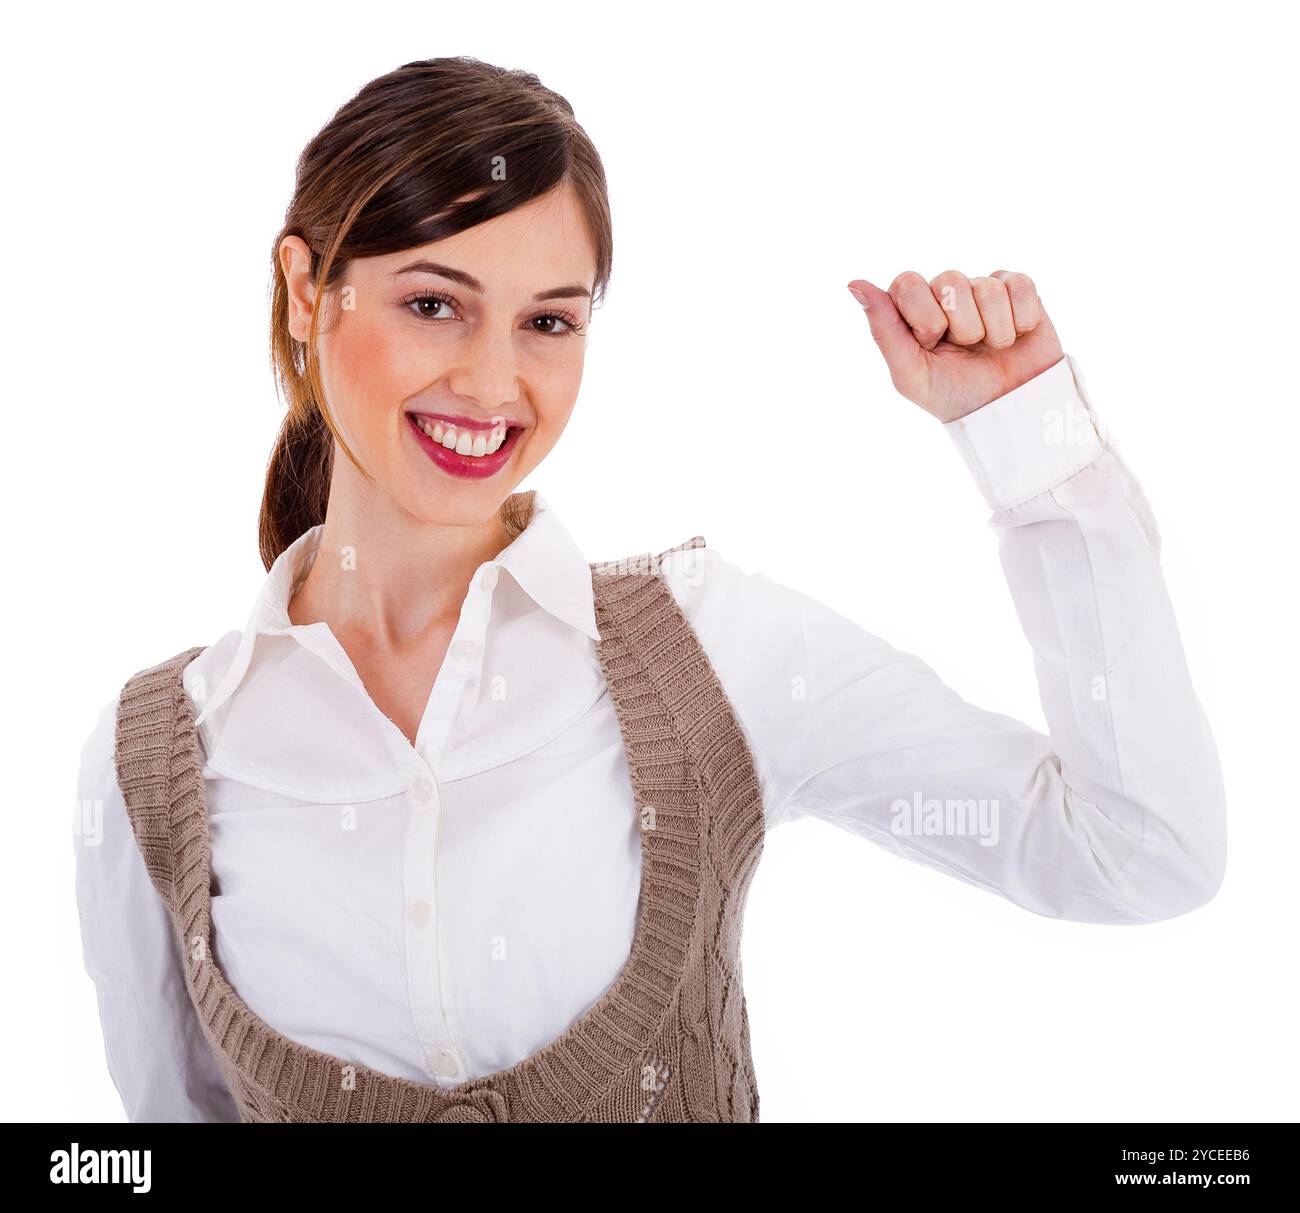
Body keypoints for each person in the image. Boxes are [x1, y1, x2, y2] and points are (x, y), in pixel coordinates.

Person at [74, 56, 1226, 1123]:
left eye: (549, 322)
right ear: (305, 292)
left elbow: (1138, 852)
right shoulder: (153, 759)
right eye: (434, 303)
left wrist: (1033, 446)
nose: (492, 379)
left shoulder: (714, 648)